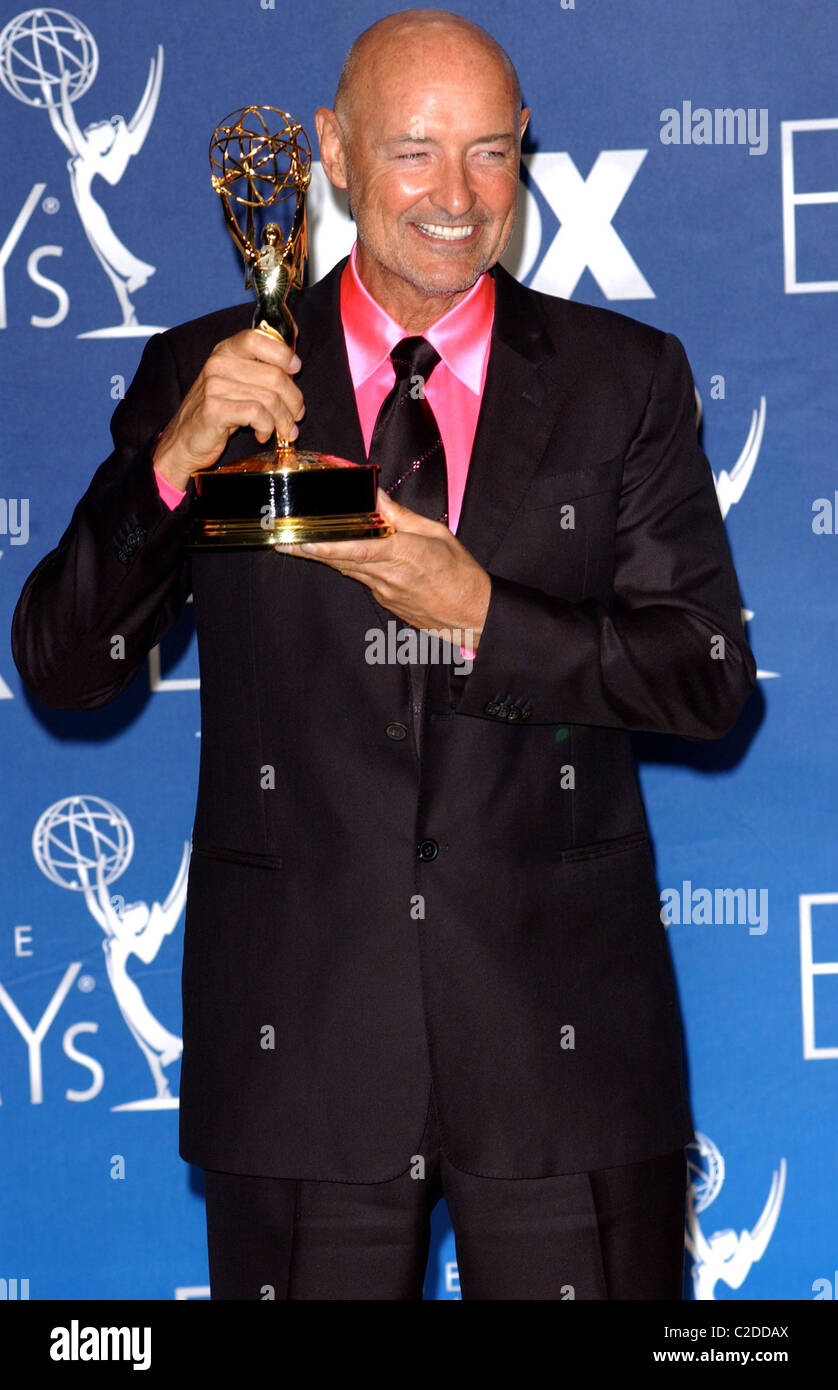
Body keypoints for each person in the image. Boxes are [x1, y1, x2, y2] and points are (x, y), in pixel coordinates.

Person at [12, 9, 757, 1300]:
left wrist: (482, 613)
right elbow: (63, 664)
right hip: (299, 1056)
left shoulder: (622, 378)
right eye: (415, 152)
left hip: (563, 1062)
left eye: (487, 153)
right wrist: (173, 464)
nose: (457, 198)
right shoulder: (205, 370)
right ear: (333, 154)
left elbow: (704, 674)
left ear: (524, 151)